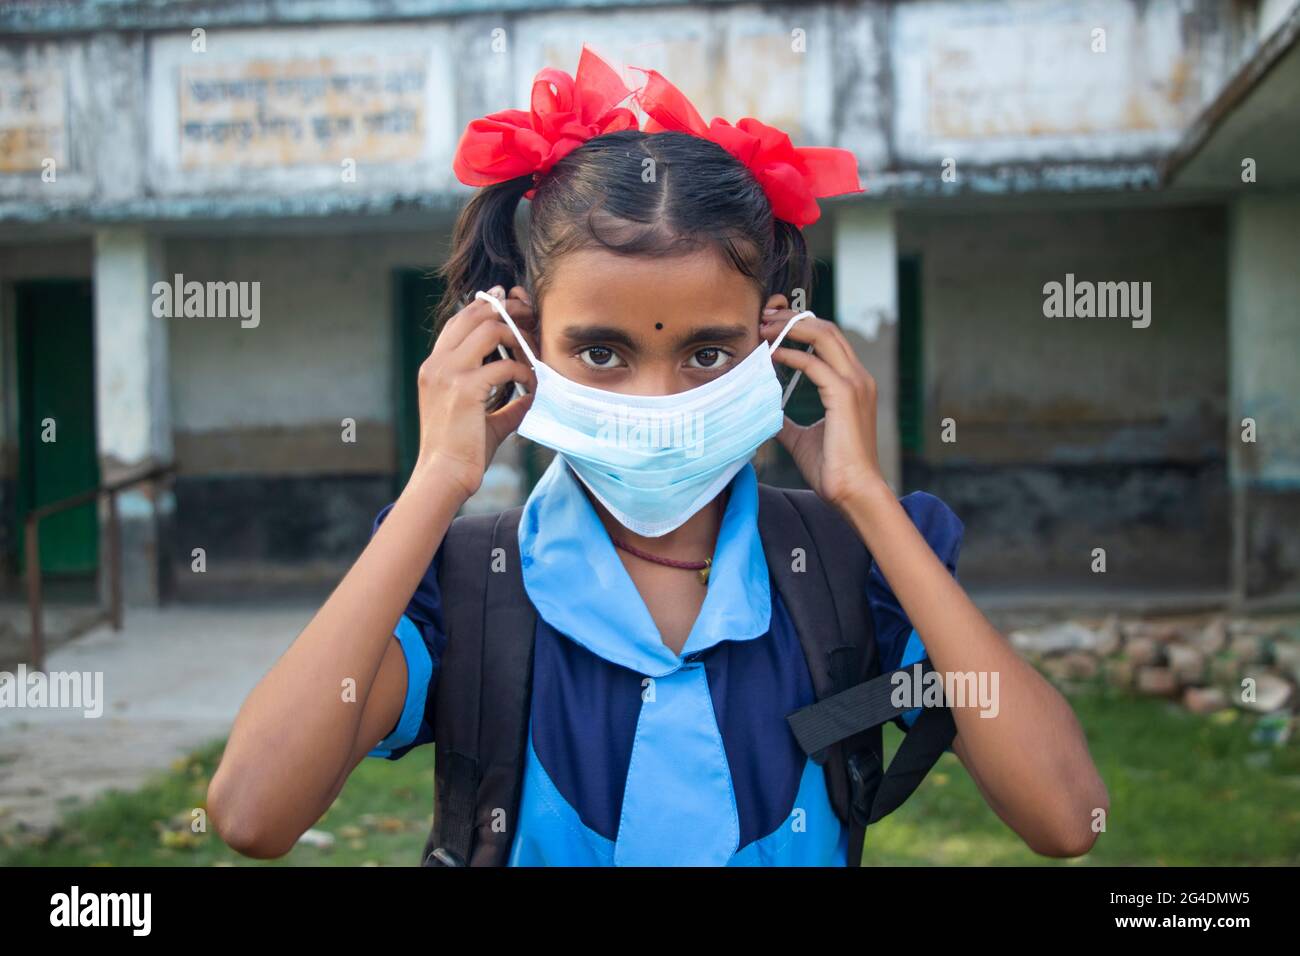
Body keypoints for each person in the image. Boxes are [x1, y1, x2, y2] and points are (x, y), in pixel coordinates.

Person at [207, 45, 1108, 866]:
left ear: (777, 341)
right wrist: (437, 480)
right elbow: (252, 813)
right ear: (519, 341)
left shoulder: (846, 571)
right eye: (602, 352)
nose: (659, 403)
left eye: (706, 354)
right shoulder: (468, 585)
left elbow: (1067, 818)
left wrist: (865, 496)